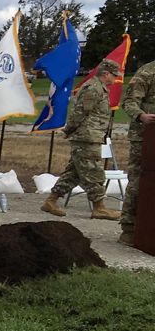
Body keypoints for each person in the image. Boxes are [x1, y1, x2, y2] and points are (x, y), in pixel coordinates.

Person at [42, 58, 121, 221]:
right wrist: (69, 129)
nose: (116, 79)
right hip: (87, 137)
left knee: (74, 173)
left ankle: (51, 201)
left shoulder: (99, 88)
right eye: (114, 75)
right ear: (106, 74)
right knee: (93, 171)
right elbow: (80, 112)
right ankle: (99, 208)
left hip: (91, 136)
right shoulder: (93, 88)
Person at [120, 59, 155, 245]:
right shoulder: (148, 72)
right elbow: (129, 102)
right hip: (145, 138)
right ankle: (129, 228)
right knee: (138, 182)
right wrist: (141, 116)